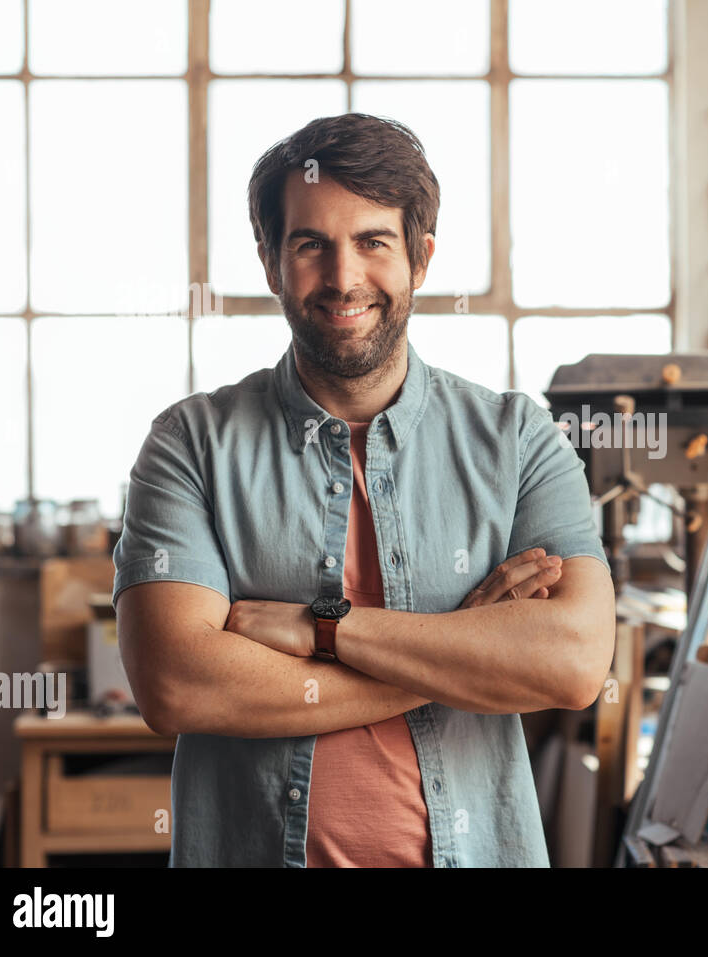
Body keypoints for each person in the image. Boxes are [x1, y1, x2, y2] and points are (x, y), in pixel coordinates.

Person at [112, 113, 616, 867]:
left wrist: (321, 631)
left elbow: (573, 663)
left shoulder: (518, 439)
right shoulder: (190, 442)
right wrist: (458, 655)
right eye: (311, 244)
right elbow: (177, 685)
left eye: (373, 241)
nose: (343, 278)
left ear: (421, 259)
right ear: (271, 262)